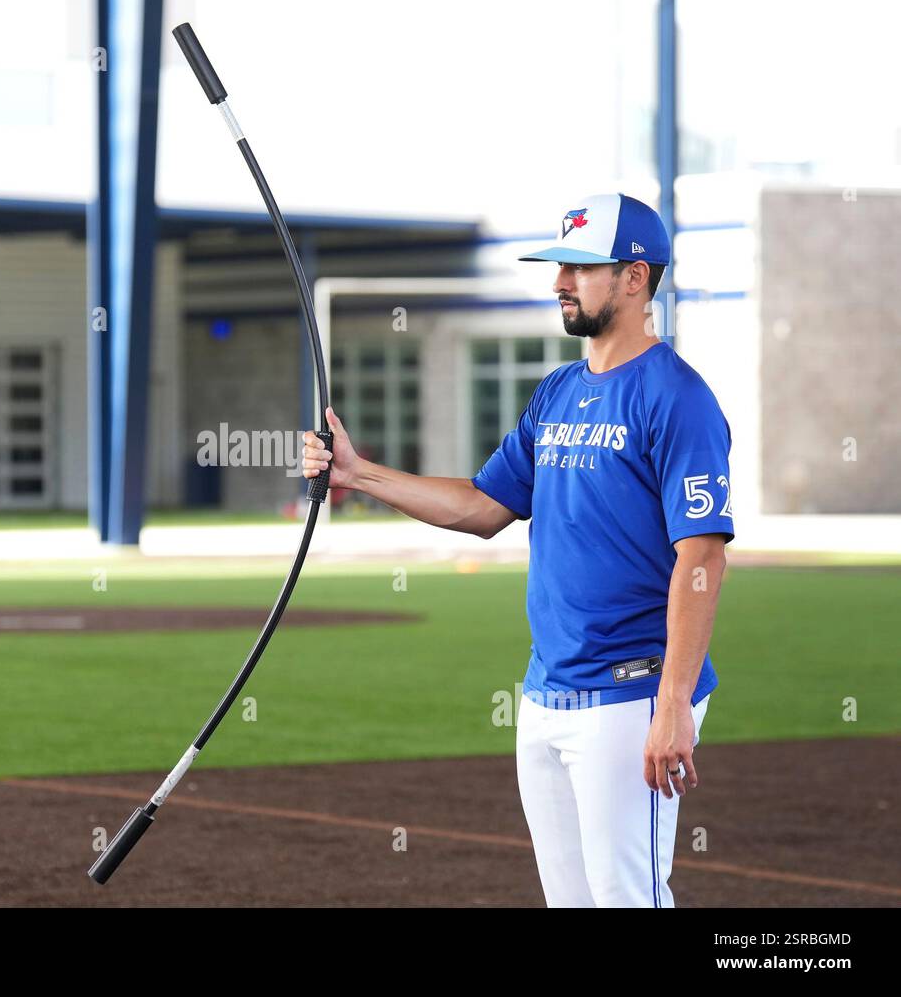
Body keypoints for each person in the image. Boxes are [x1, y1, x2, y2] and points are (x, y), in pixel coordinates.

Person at [301, 193, 734, 907]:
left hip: (631, 696)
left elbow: (702, 558)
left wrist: (674, 703)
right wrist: (359, 473)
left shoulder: (677, 397)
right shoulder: (557, 392)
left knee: (628, 895)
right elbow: (482, 507)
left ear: (633, 277)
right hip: (545, 693)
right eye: (559, 267)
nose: (560, 283)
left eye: (578, 268)